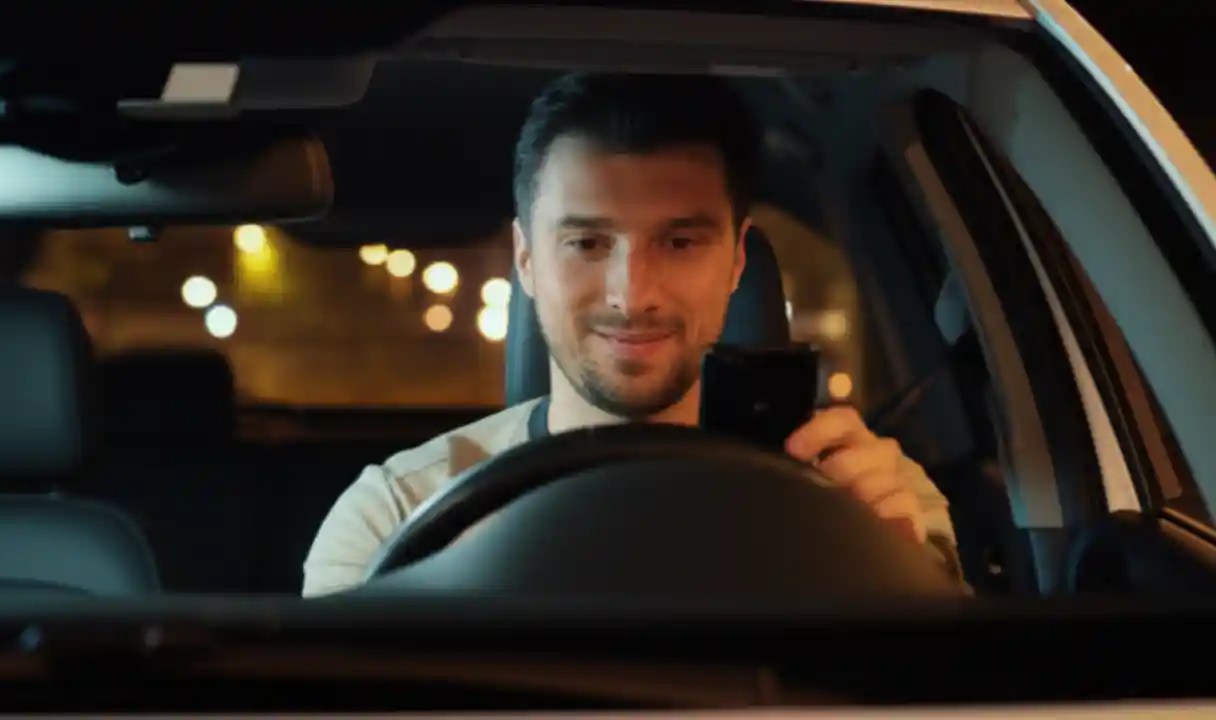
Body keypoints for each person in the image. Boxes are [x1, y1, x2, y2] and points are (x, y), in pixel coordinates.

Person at [302, 72, 961, 598]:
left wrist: (893, 574)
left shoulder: (870, 495)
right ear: (526, 260)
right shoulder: (393, 515)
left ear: (736, 261)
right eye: (587, 242)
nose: (632, 293)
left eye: (678, 242)